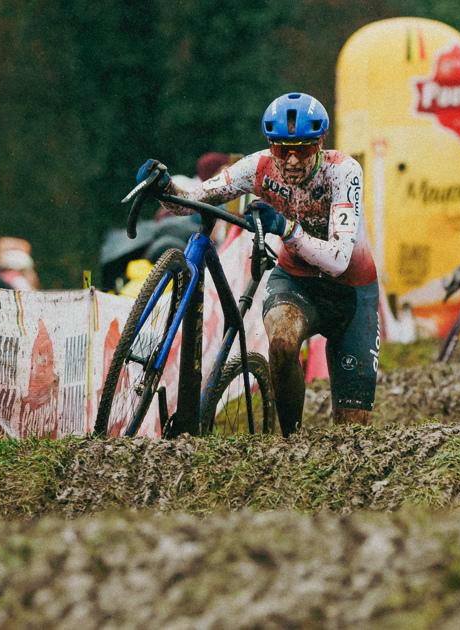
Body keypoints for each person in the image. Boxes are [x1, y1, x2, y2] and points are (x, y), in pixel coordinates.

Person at [136, 92, 378, 434]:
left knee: (353, 434)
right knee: (281, 340)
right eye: (282, 150)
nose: (292, 161)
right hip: (295, 283)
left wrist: (287, 229)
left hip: (350, 293)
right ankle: (290, 442)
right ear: (270, 146)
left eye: (304, 149)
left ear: (320, 144)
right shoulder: (257, 167)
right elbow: (192, 203)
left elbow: (337, 260)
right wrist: (164, 188)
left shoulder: (342, 172)